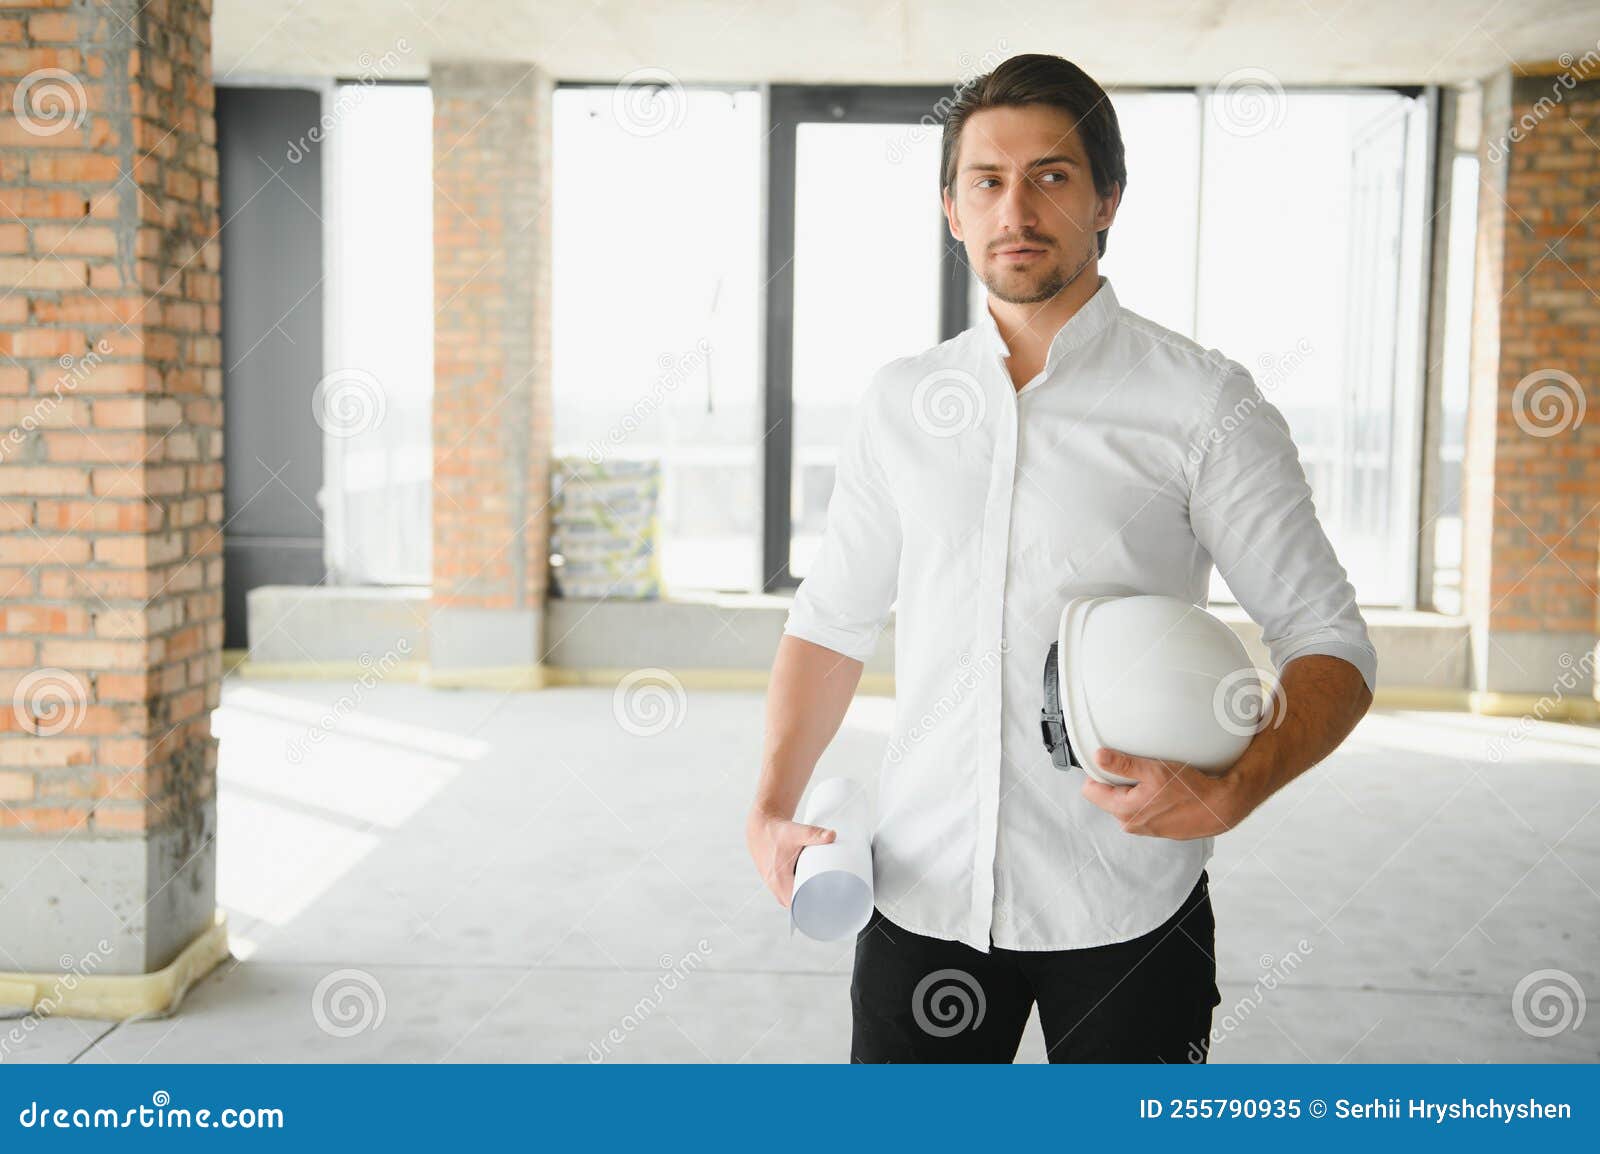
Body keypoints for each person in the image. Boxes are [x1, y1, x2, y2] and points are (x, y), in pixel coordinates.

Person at [745, 53, 1376, 1063]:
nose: (1016, 208)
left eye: (1051, 175)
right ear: (951, 208)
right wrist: (772, 803)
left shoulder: (1204, 403)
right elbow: (831, 621)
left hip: (1128, 905)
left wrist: (1241, 783)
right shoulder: (901, 403)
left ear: (1106, 200)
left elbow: (1328, 640)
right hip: (920, 898)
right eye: (986, 181)